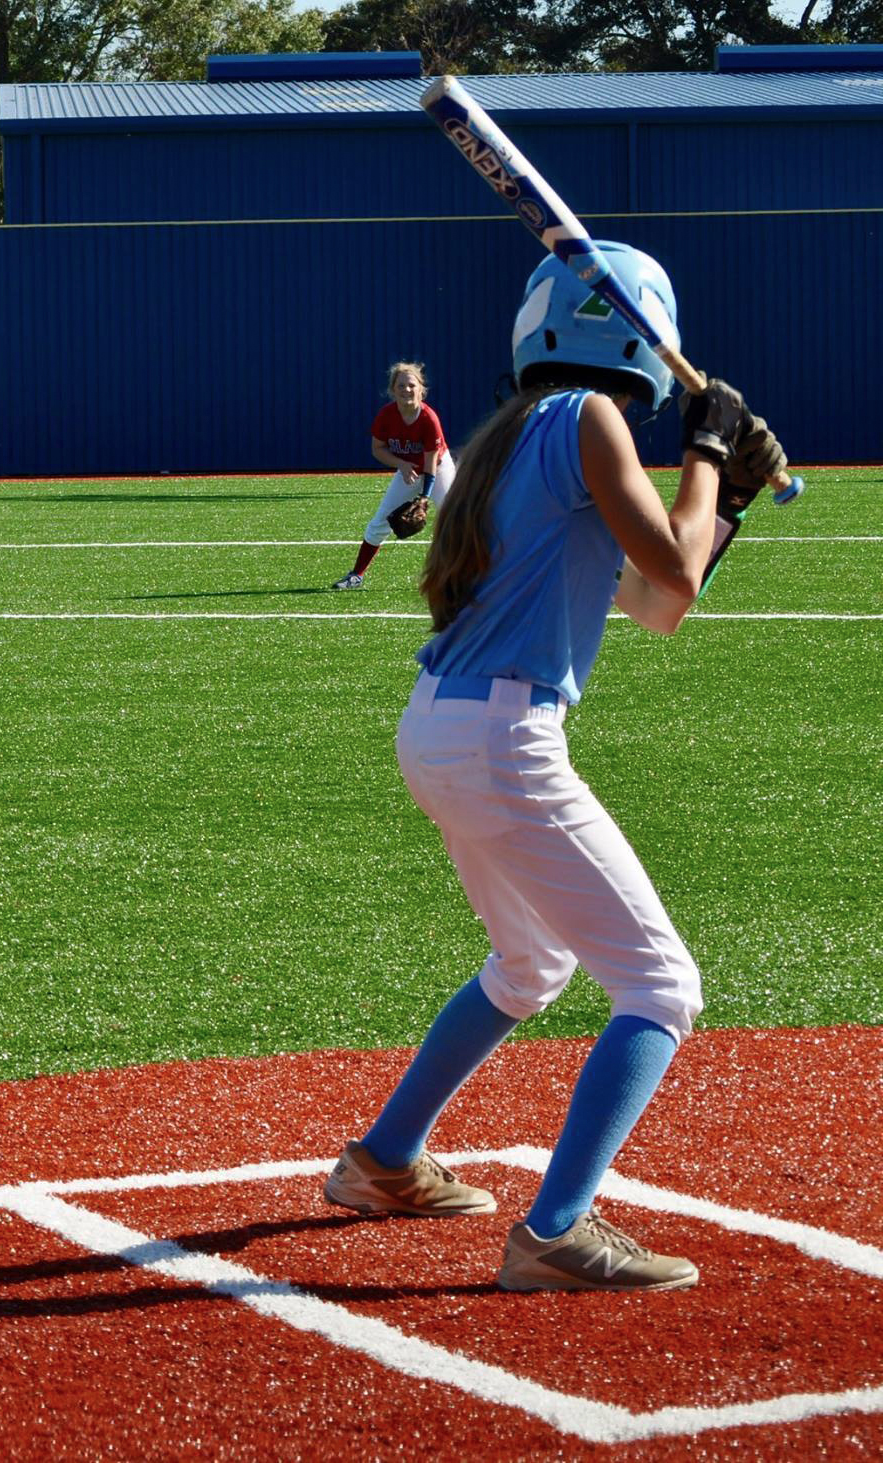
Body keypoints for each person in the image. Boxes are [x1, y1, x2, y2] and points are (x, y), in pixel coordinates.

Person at [320, 242, 786, 1292]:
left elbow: (656, 603)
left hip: (441, 727)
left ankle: (382, 1160)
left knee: (530, 964)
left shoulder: (511, 437)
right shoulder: (587, 422)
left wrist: (730, 492)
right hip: (501, 737)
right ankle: (554, 1232)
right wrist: (707, 445)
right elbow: (672, 573)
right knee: (661, 985)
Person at [331, 362, 457, 591]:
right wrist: (401, 464)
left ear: (421, 389)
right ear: (392, 390)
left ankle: (471, 574)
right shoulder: (387, 415)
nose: (406, 389)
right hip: (408, 469)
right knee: (380, 522)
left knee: (454, 517)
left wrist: (424, 498)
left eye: (411, 385)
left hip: (438, 469)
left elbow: (431, 462)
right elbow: (377, 449)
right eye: (401, 385)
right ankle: (356, 575)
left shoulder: (428, 418)